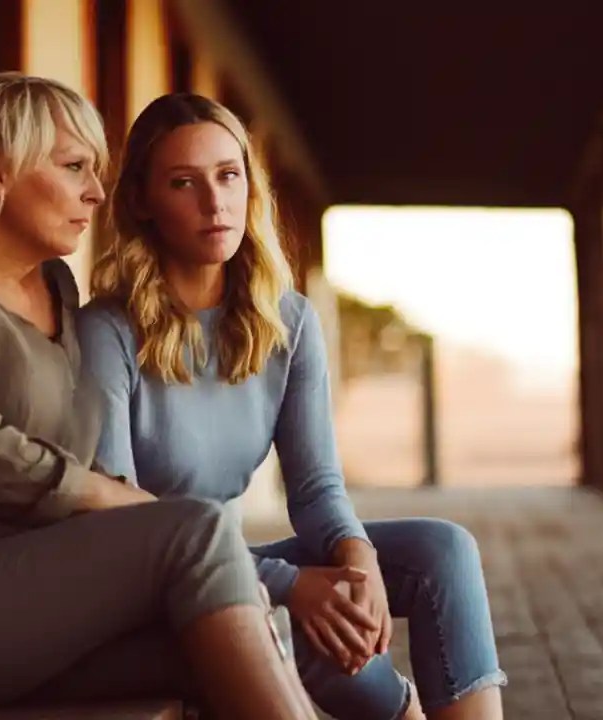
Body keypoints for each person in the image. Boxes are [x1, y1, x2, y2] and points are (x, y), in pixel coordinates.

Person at [0, 74, 316, 719]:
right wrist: (122, 500)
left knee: (242, 639)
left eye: (97, 169)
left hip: (30, 605)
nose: (96, 190)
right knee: (195, 527)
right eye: (74, 166)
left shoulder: (58, 289)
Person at [78, 93, 507, 720]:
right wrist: (291, 585)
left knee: (443, 551)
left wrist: (355, 557)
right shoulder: (107, 333)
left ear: (251, 186)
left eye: (229, 175)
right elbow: (126, 530)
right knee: (315, 630)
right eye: (182, 182)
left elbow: (314, 488)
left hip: (237, 562)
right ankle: (403, 711)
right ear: (142, 201)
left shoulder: (288, 321)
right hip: (152, 585)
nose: (214, 202)